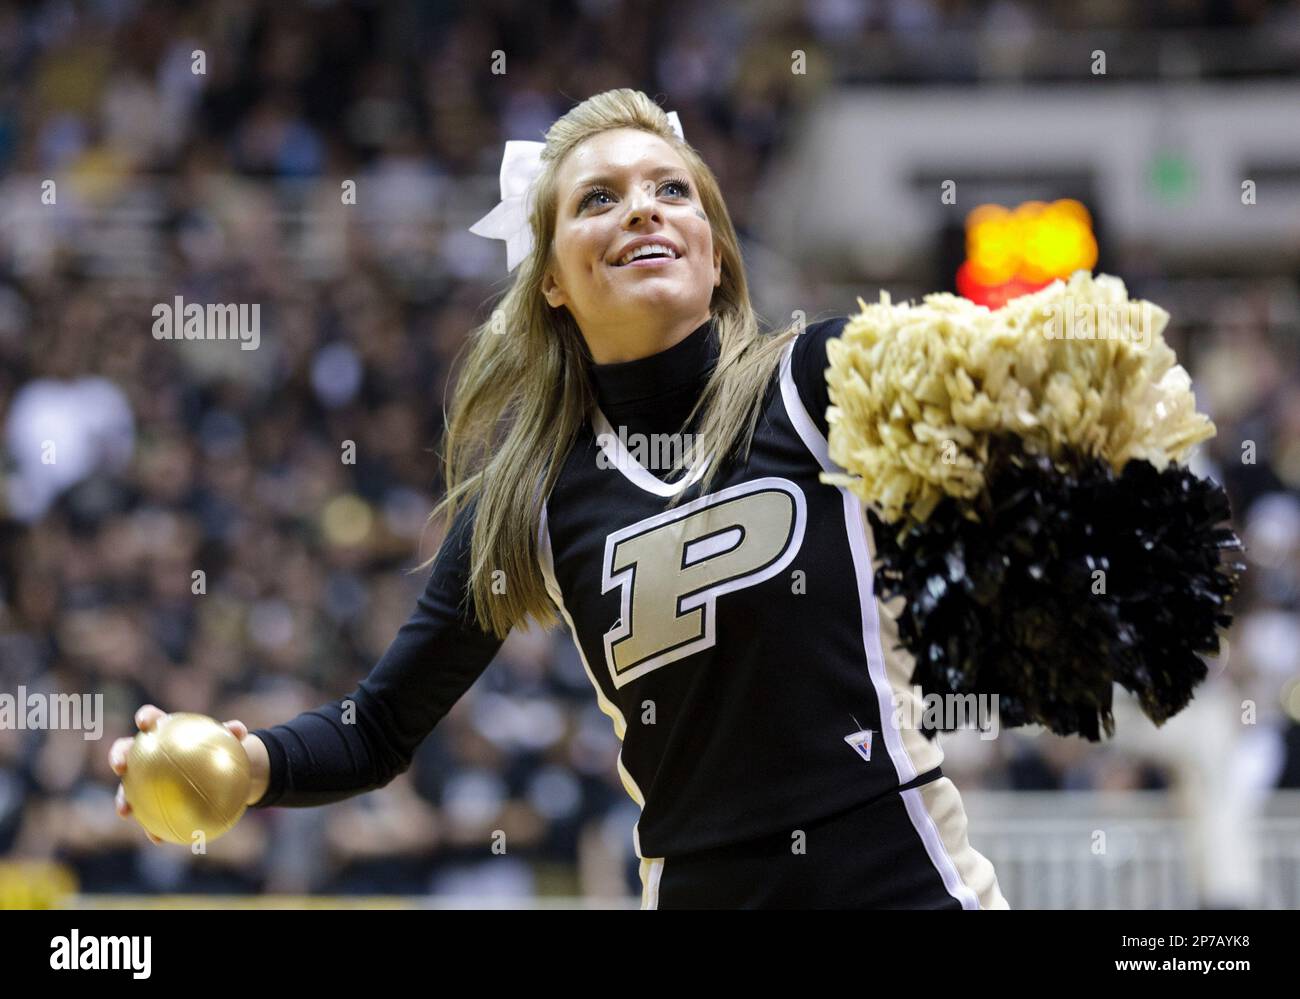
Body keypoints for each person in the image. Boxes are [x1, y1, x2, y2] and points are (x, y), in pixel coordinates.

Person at [110, 88, 1007, 909]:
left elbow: (1023, 408)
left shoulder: (824, 379)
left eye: (672, 190)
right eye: (598, 199)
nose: (644, 208)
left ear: (717, 249)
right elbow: (380, 725)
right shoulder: (532, 498)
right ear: (550, 279)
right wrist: (239, 762)